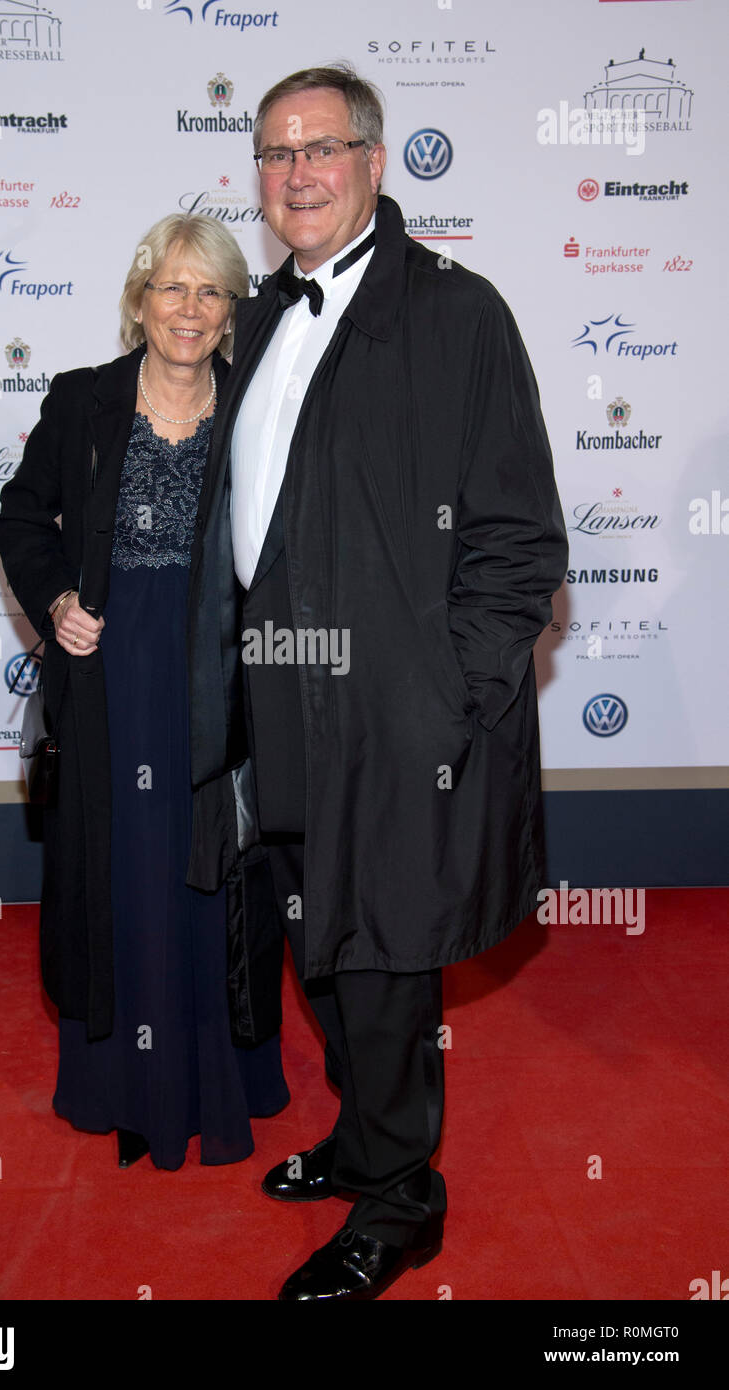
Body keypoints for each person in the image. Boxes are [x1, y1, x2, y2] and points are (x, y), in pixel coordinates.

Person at [187, 65, 568, 1298]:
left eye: (321, 147)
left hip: (397, 717)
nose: (296, 172)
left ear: (374, 160)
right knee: (317, 939)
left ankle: (401, 1198)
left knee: (389, 956)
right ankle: (360, 1141)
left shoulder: (458, 315)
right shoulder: (255, 320)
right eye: (274, 153)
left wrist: (445, 699)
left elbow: (516, 542)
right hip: (277, 694)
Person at [0, 214, 288, 1173]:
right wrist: (55, 597)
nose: (190, 310)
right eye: (173, 288)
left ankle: (219, 1082)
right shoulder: (83, 402)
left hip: (220, 677)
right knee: (120, 874)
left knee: (214, 876)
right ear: (140, 300)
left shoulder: (259, 405)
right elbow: (20, 514)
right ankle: (123, 1084)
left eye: (211, 292)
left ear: (231, 310)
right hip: (112, 674)